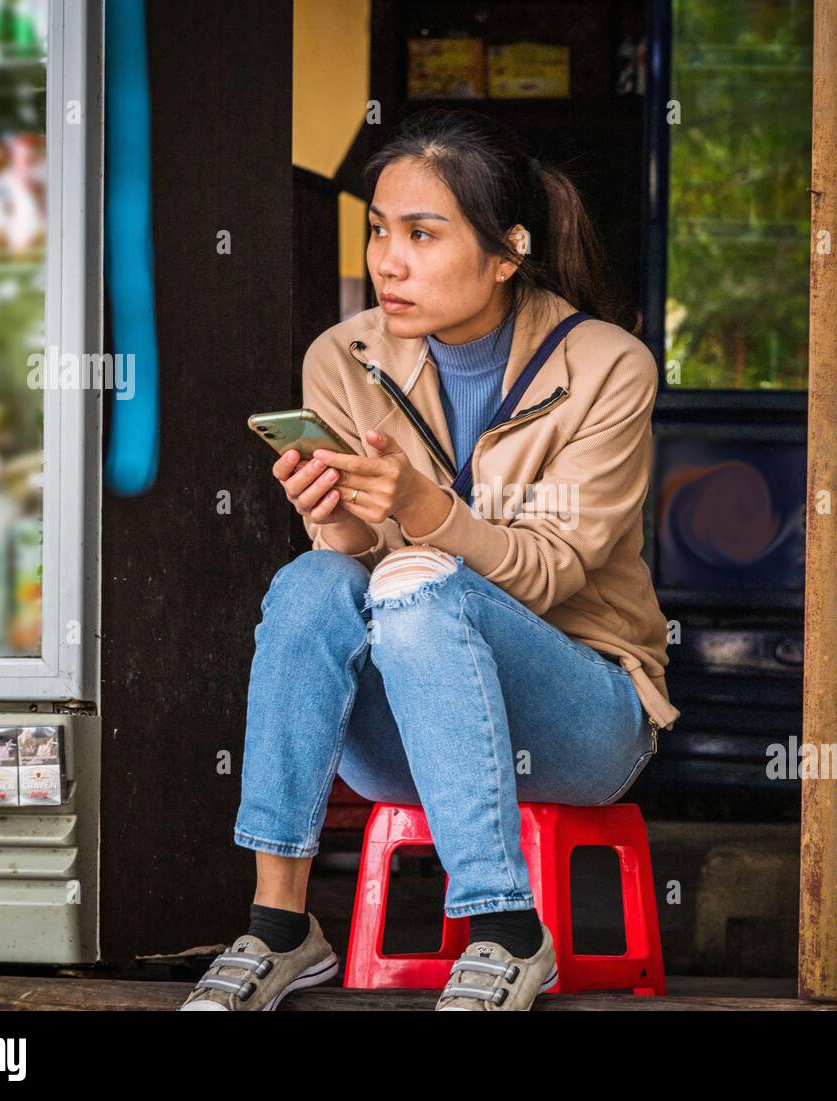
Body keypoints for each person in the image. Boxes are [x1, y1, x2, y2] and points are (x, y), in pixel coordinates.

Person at [180, 107, 680, 1012]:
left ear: (507, 251)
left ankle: (506, 928)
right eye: (377, 230)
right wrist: (331, 518)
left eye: (421, 233)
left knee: (419, 583)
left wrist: (424, 509)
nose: (388, 261)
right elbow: (356, 569)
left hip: (581, 713)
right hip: (412, 723)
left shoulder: (610, 369)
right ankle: (281, 924)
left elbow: (550, 572)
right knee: (310, 583)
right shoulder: (346, 355)